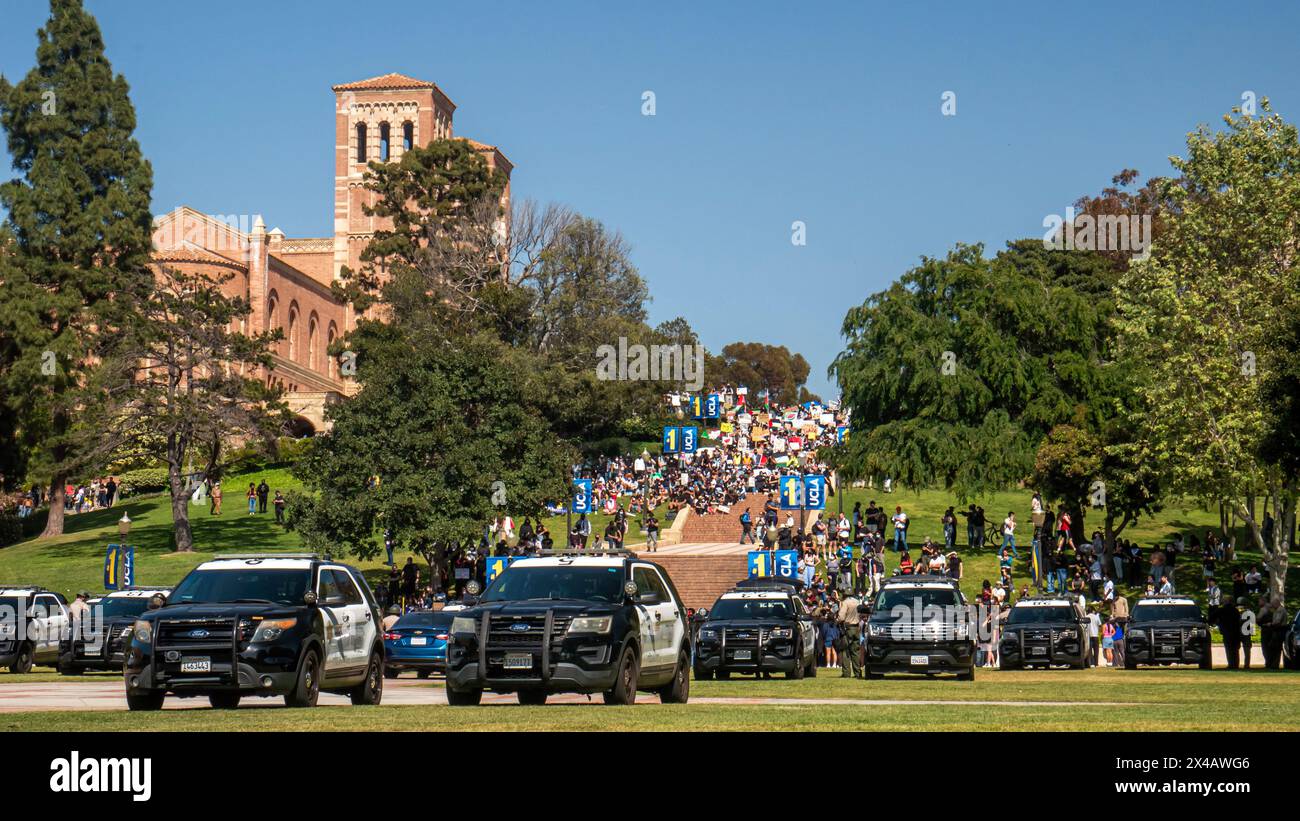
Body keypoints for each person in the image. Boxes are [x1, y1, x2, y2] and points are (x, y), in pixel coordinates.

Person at [1259, 597, 1288, 670]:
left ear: (1276, 603)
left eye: (1272, 604)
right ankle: (1273, 664)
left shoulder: (1280, 610)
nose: (1271, 606)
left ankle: (1274, 665)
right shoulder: (1277, 610)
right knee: (1274, 648)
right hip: (1278, 630)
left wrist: (1270, 624)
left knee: (1276, 648)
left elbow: (1277, 622)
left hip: (1279, 630)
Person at [838, 592, 862, 678]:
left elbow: (841, 617)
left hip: (848, 628)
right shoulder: (857, 601)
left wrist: (837, 621)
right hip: (857, 627)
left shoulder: (845, 602)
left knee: (845, 651)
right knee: (856, 651)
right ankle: (858, 673)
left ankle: (846, 673)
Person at [1238, 597, 1256, 669]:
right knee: (1247, 650)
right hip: (1246, 632)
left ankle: (1236, 664)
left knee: (1237, 649)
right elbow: (1252, 624)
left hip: (1240, 632)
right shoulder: (1250, 612)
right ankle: (1246, 664)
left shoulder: (1238, 610)